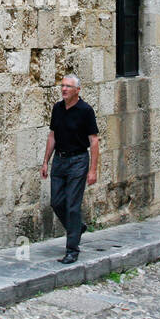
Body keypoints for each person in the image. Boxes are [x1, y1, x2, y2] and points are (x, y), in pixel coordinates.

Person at [40, 74, 99, 263]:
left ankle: (72, 249)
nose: (64, 89)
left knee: (72, 205)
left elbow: (94, 141)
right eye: (62, 85)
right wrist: (45, 161)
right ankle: (77, 227)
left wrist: (93, 170)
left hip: (78, 161)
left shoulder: (85, 111)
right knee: (56, 202)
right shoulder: (57, 108)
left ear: (77, 90)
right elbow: (52, 136)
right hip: (59, 160)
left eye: (68, 86)